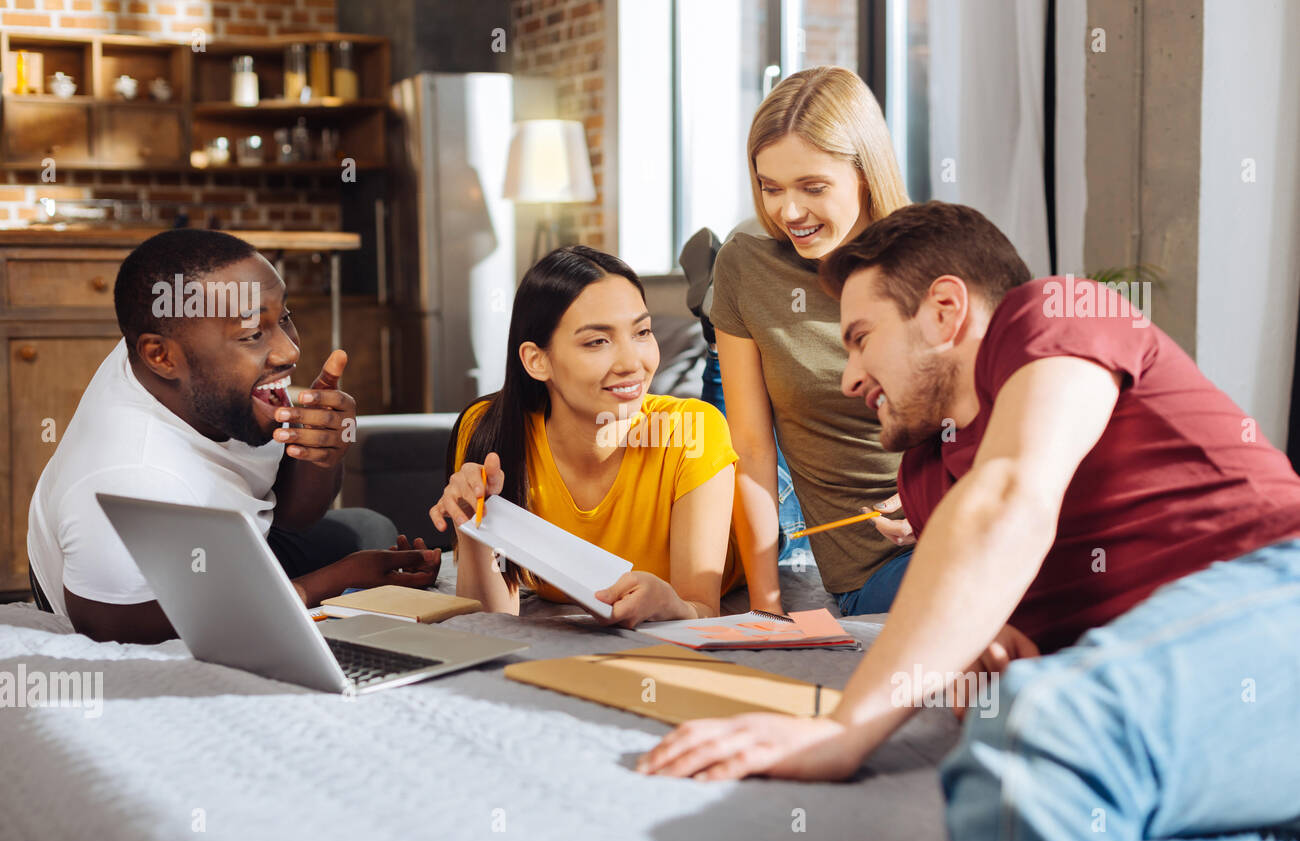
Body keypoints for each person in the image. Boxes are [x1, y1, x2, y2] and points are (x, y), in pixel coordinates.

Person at [638, 201, 1300, 841]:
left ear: (945, 311)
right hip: (1215, 705)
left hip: (1278, 594)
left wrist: (845, 730)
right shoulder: (926, 474)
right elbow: (985, 607)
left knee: (1035, 727)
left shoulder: (1056, 310)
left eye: (861, 338)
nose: (847, 379)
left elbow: (1012, 495)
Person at [28, 229, 439, 644]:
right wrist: (324, 584)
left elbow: (294, 516)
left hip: (222, 540)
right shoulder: (131, 472)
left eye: (283, 317)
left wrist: (319, 451)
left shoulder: (193, 360)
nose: (289, 352)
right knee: (358, 563)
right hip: (142, 596)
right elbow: (112, 629)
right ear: (161, 356)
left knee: (370, 530)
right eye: (252, 335)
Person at [430, 245, 741, 627]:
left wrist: (674, 605)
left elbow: (701, 610)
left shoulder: (694, 432)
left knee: (760, 463)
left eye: (642, 332)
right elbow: (493, 620)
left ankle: (719, 337)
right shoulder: (489, 430)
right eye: (598, 341)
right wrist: (477, 522)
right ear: (536, 360)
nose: (632, 364)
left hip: (754, 518)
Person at [709, 66, 913, 616]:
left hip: (977, 530)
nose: (788, 212)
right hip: (879, 568)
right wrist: (766, 608)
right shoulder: (748, 270)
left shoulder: (930, 261)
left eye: (812, 188)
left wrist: (946, 497)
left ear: (865, 174)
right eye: (769, 188)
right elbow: (749, 450)